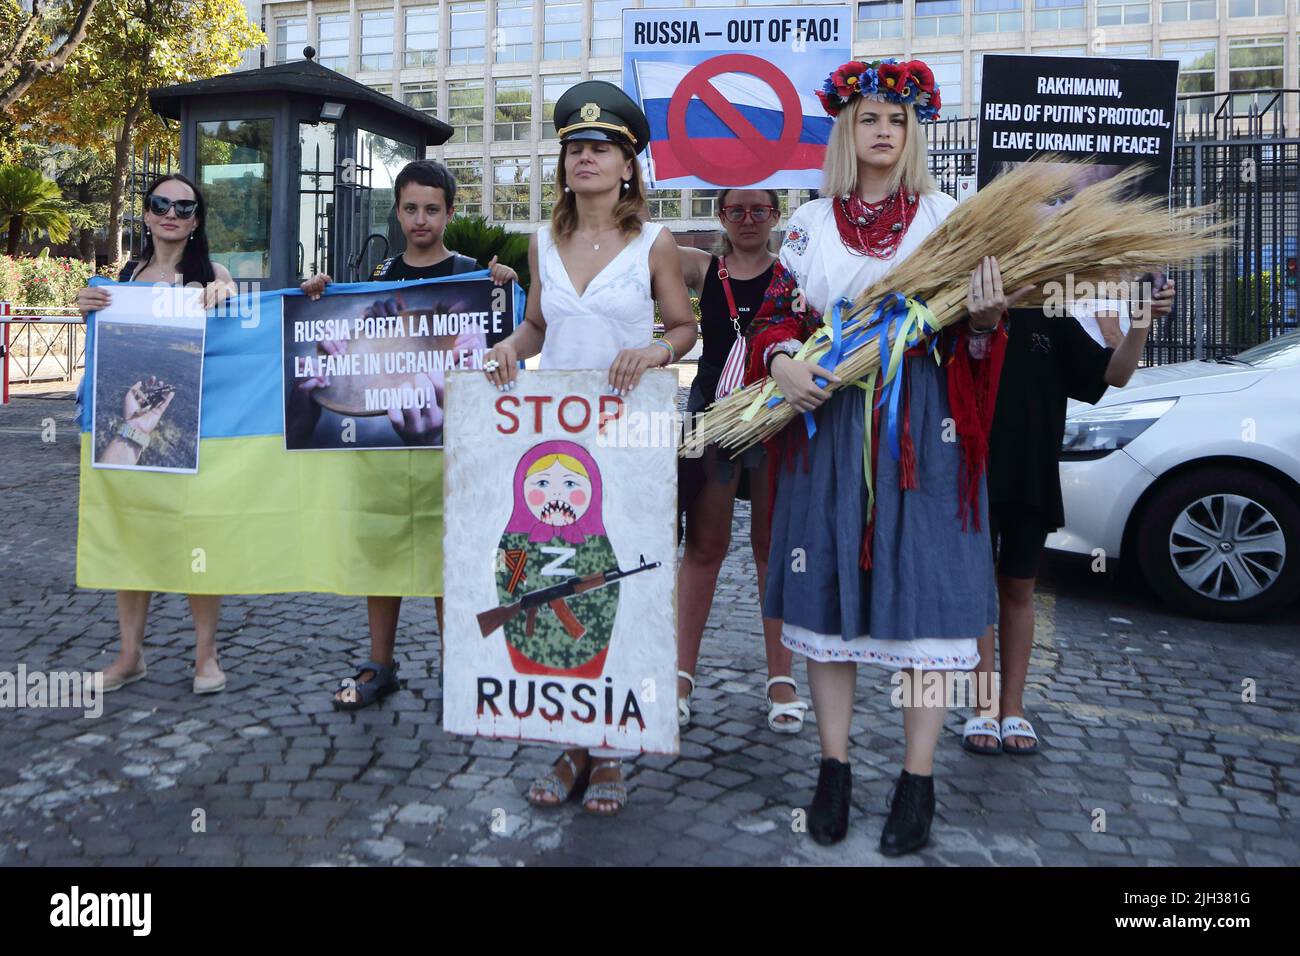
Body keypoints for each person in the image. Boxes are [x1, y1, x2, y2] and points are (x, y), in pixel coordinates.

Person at [746, 59, 1014, 854]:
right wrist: (780, 362)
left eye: (897, 119)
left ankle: (917, 777)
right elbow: (772, 317)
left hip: (921, 438)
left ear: (913, 132)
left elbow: (978, 338)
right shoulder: (808, 223)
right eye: (869, 118)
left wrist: (980, 322)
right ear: (847, 130)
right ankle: (834, 769)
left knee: (926, 601)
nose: (884, 131)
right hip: (829, 426)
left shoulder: (947, 218)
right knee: (827, 592)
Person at [482, 80, 697, 815]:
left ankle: (612, 752)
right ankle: (571, 741)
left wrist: (656, 352)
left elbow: (684, 326)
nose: (584, 159)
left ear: (629, 165)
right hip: (560, 443)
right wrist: (509, 346)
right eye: (574, 148)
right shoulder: (544, 240)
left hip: (630, 439)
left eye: (600, 149)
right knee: (563, 584)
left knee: (624, 586)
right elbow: (538, 326)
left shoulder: (654, 243)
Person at [299, 159, 517, 710]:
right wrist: (318, 294)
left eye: (432, 209)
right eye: (411, 208)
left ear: (449, 211)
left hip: (453, 445)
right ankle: (380, 662)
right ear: (397, 212)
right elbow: (337, 333)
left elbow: (507, 348)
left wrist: (505, 287)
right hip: (386, 449)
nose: (421, 219)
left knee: (450, 552)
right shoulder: (376, 279)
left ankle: (456, 666)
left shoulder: (474, 275)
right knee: (384, 548)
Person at [962, 268, 1175, 756]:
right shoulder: (966, 311)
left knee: (1018, 589)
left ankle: (1013, 708)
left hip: (1030, 475)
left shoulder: (1049, 317)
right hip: (970, 477)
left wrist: (1140, 322)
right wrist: (981, 323)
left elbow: (1115, 375)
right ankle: (983, 708)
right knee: (975, 594)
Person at [76, 173, 237, 695]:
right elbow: (109, 349)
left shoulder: (212, 273)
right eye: (161, 203)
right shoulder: (124, 277)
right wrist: (87, 309)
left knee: (199, 538)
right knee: (132, 535)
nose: (171, 213)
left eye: (184, 207)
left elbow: (237, 310)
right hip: (133, 424)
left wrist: (224, 291)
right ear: (145, 214)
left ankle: (206, 656)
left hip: (195, 430)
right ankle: (129, 655)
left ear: (196, 221)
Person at [675, 189, 806, 734]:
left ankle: (782, 679)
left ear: (776, 216)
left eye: (760, 210)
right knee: (704, 547)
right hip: (713, 418)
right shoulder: (701, 267)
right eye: (736, 210)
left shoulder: (796, 273)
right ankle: (680, 675)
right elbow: (636, 241)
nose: (748, 220)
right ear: (719, 216)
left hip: (777, 418)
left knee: (772, 550)